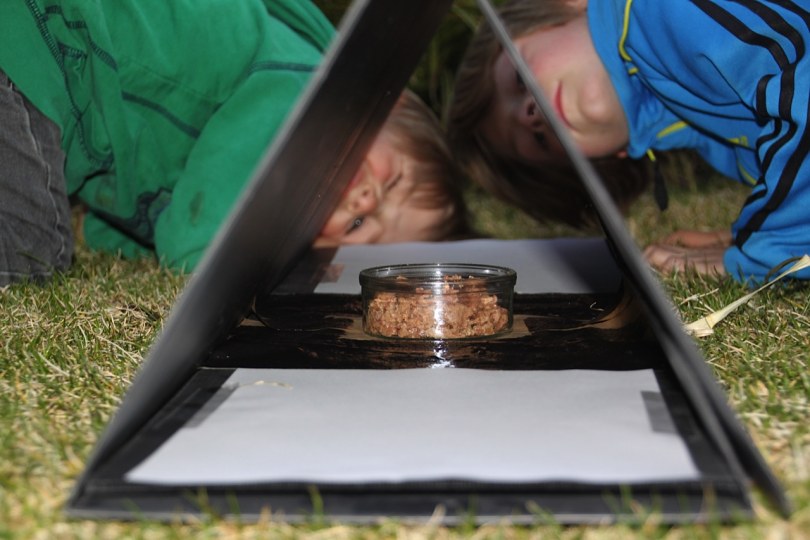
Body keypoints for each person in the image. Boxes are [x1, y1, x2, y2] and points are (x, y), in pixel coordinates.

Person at [0, 0, 467, 287]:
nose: (367, 200)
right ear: (388, 105)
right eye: (396, 180)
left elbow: (124, 227)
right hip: (35, 37)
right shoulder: (301, 95)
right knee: (30, 254)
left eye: (364, 228)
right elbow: (197, 249)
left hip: (43, 60)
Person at [448, 0, 810, 284]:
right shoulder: (698, 127)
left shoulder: (661, 10)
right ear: (605, 158)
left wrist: (762, 252)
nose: (528, 114)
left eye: (519, 79)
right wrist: (750, 232)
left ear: (568, 4)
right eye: (540, 140)